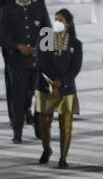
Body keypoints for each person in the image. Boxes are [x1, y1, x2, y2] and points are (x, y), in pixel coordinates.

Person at [0, 0, 49, 144]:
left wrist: (38, 50)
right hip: (17, 63)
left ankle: (39, 127)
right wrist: (18, 47)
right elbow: (1, 39)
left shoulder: (39, 8)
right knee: (18, 97)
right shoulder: (7, 10)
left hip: (37, 62)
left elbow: (47, 34)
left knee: (36, 97)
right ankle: (17, 131)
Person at [35, 9, 82, 168]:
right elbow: (40, 62)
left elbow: (75, 67)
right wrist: (51, 83)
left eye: (60, 20)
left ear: (67, 23)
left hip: (66, 88)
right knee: (44, 123)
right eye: (55, 19)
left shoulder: (75, 44)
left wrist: (62, 82)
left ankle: (63, 157)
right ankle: (46, 148)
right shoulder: (46, 39)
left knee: (66, 125)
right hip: (46, 86)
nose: (57, 22)